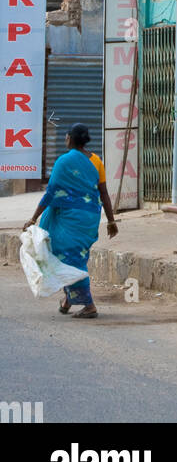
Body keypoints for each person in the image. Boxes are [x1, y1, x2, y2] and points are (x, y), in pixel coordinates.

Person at [25, 123, 118, 318]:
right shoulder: (96, 161)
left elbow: (51, 192)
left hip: (70, 218)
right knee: (72, 256)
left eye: (66, 137)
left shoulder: (63, 162)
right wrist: (111, 221)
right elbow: (104, 193)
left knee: (70, 259)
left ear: (69, 139)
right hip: (89, 217)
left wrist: (34, 218)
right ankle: (68, 299)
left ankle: (89, 305)